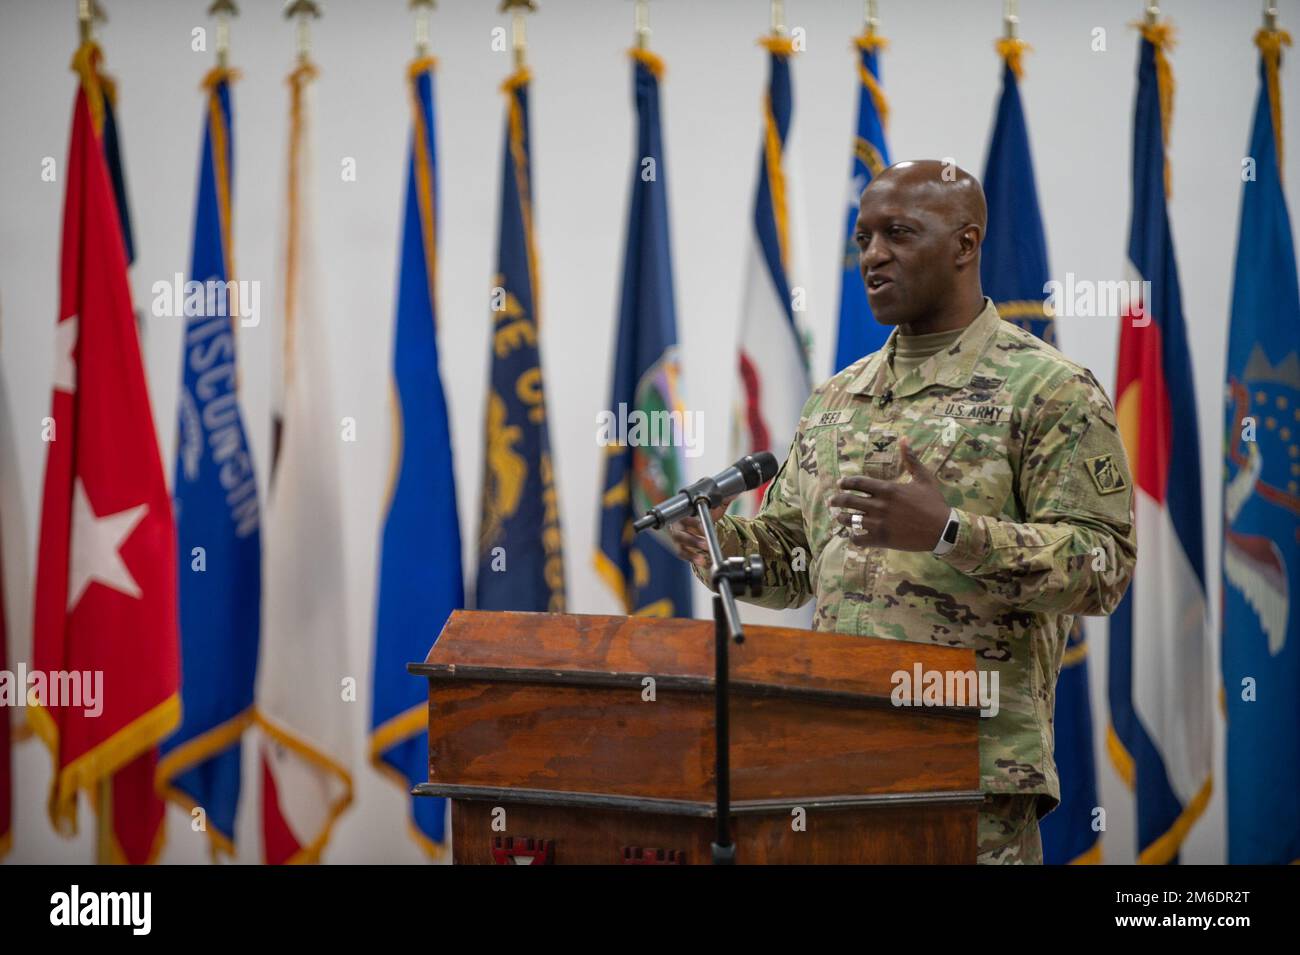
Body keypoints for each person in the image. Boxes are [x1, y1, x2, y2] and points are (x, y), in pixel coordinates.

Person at [670, 159, 1137, 864]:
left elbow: (1103, 566)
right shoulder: (836, 398)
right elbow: (798, 556)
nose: (873, 255)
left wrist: (951, 534)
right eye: (862, 238)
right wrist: (726, 549)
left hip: (969, 775)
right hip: (836, 767)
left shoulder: (1049, 389)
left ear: (965, 244)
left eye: (898, 233)